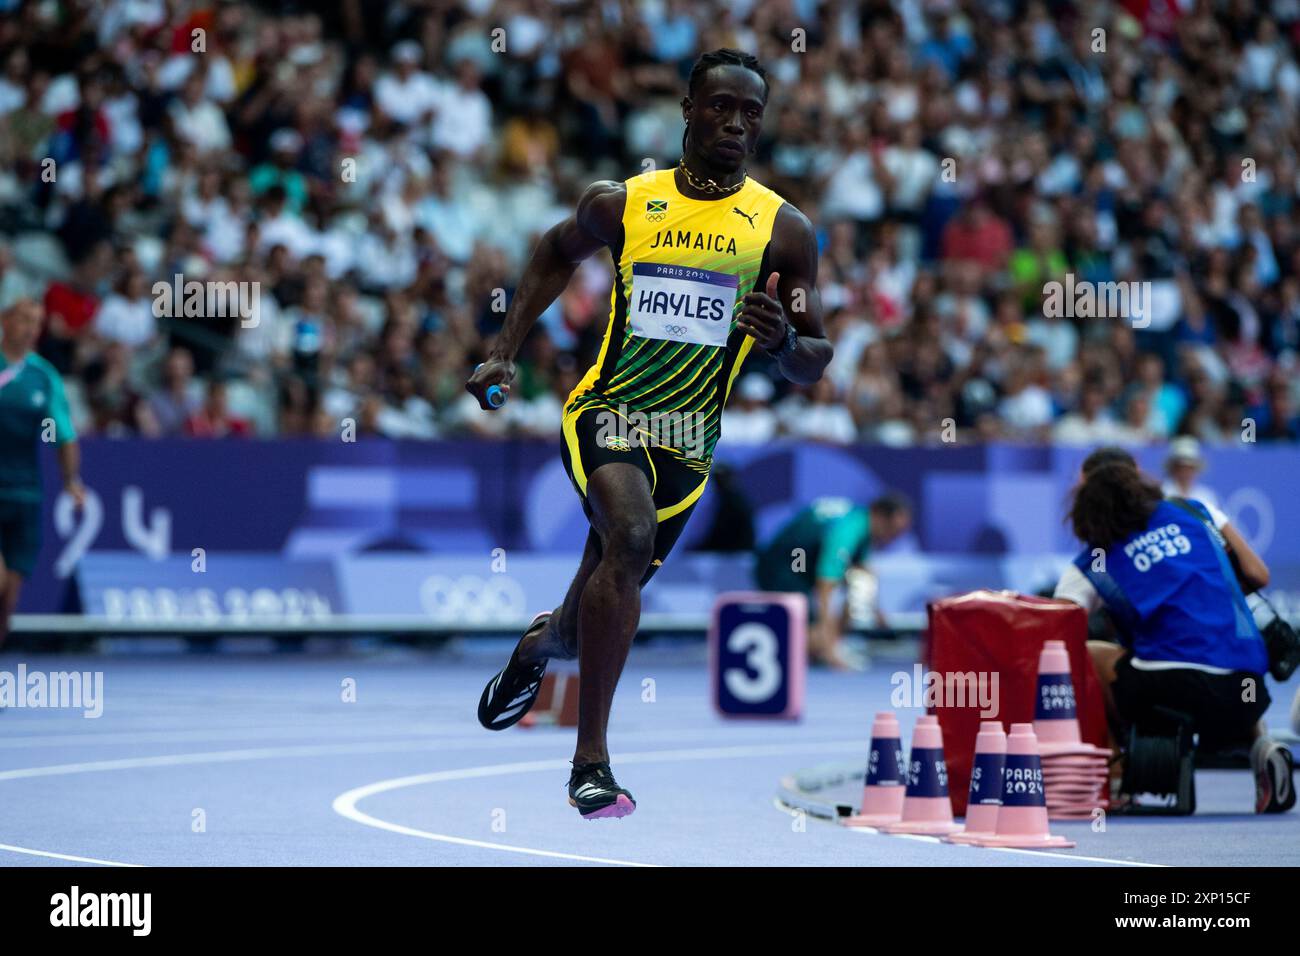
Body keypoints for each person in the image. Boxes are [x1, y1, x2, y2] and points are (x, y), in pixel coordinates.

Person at [466, 49, 832, 818]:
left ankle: (539, 647)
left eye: (751, 113)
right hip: (609, 411)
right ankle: (590, 764)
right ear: (688, 108)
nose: (736, 123)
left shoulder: (783, 230)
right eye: (721, 106)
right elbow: (552, 252)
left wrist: (780, 344)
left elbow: (813, 359)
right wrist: (503, 349)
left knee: (589, 615)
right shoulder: (625, 202)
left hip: (688, 447)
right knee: (627, 539)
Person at [1054, 461, 1294, 813]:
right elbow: (1258, 574)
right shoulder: (1194, 512)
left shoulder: (1095, 559)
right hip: (1246, 691)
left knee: (1086, 653)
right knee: (1223, 654)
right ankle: (1263, 749)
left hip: (1167, 689)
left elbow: (1057, 625)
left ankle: (1118, 774)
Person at [0, 299, 85, 650]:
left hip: (25, 497)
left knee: (6, 604)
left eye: (37, 322)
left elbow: (61, 433)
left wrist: (70, 481)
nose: (31, 328)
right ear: (5, 321)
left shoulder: (43, 376)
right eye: (24, 319)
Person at [754, 494, 912, 669]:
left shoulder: (863, 525)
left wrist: (877, 611)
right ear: (880, 516)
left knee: (858, 583)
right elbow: (825, 588)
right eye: (893, 530)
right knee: (814, 638)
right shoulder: (848, 530)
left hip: (803, 565)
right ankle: (754, 638)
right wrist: (830, 650)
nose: (893, 538)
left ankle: (821, 645)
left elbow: (862, 576)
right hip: (783, 568)